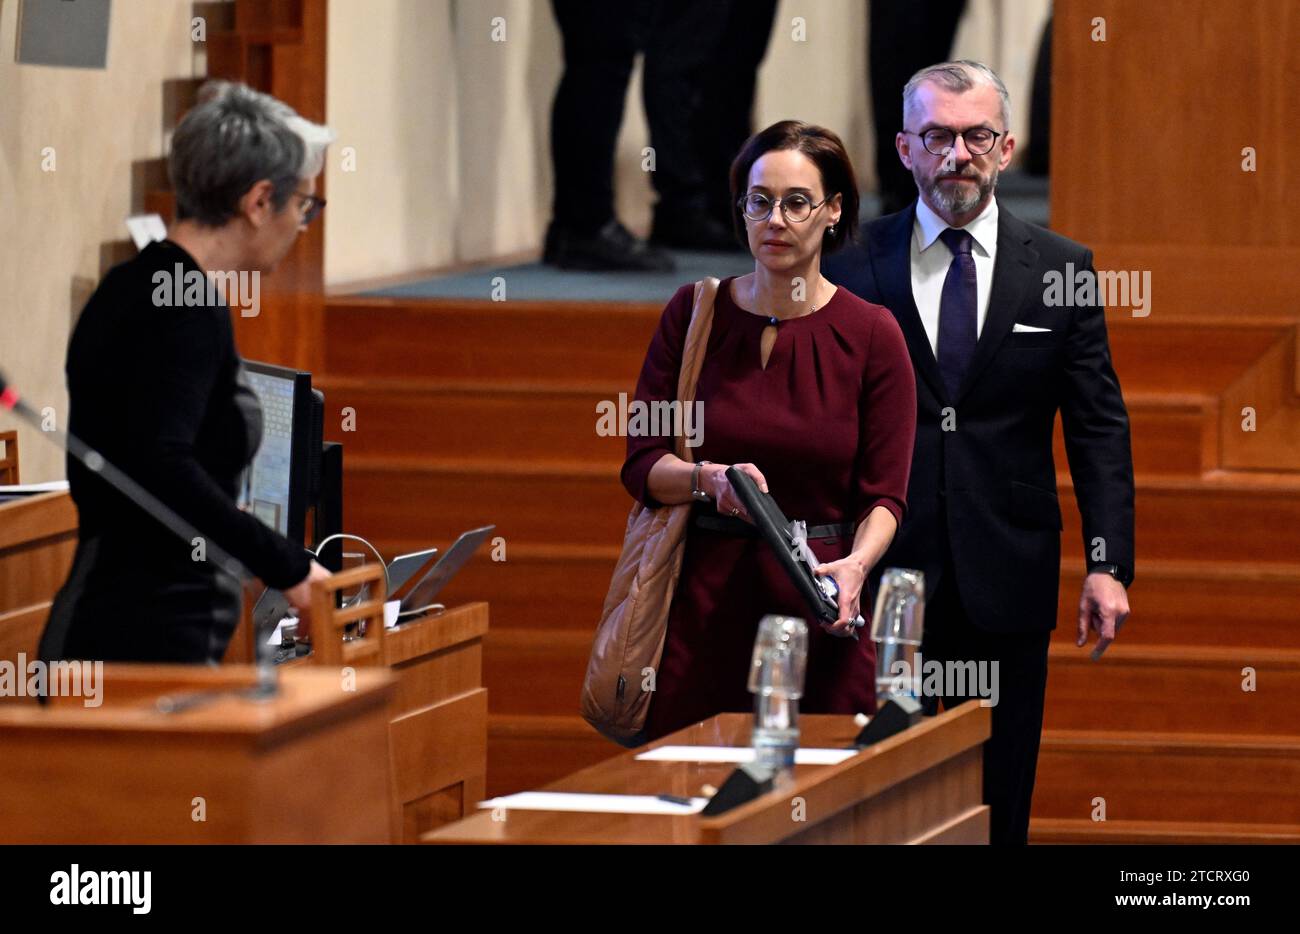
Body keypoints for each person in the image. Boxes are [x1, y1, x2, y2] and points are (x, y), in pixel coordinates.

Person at [824, 61, 1135, 844]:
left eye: (977, 136)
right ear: (904, 148)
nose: (957, 155)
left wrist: (1108, 564)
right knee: (882, 802)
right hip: (882, 577)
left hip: (1008, 571)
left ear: (1007, 147)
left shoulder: (1061, 269)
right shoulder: (851, 261)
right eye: (937, 137)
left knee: (999, 802)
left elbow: (1097, 426)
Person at [621, 120, 917, 742]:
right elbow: (643, 464)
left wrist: (858, 567)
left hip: (820, 597)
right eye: (760, 201)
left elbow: (886, 496)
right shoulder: (693, 312)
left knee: (826, 789)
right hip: (701, 608)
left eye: (797, 202)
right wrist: (708, 479)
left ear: (834, 211)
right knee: (691, 788)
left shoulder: (872, 334)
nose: (775, 220)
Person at [38, 81, 336, 666]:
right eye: (303, 205)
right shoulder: (186, 305)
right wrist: (290, 567)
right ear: (259, 202)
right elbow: (162, 467)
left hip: (117, 620)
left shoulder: (135, 284)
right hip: (144, 638)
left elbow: (153, 459)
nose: (303, 223)